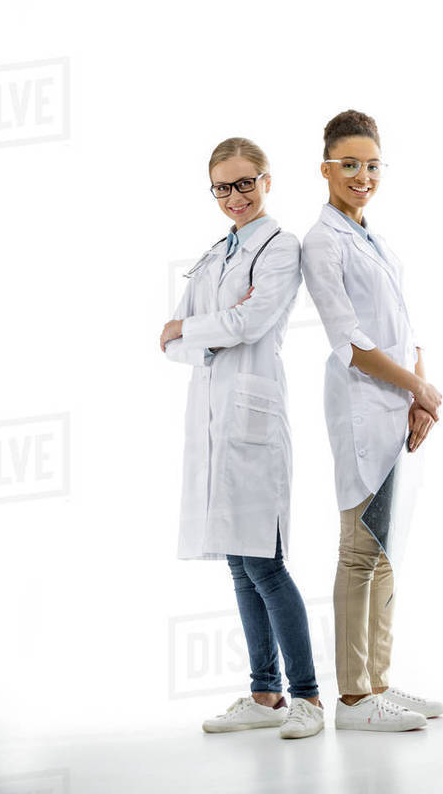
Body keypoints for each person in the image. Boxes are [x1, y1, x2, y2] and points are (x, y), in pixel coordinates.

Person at [160, 137, 324, 739]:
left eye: (245, 183)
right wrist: (206, 329)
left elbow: (251, 322)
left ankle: (306, 696)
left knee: (265, 563)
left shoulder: (280, 247)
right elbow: (173, 340)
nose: (236, 196)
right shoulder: (216, 253)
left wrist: (195, 327)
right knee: (238, 562)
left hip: (253, 417)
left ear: (268, 180)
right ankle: (265, 692)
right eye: (223, 187)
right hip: (212, 419)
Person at [301, 110, 443, 733]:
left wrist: (418, 396)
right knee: (359, 552)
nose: (363, 176)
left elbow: (406, 326)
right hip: (363, 408)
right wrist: (418, 387)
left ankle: (379, 683)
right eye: (350, 165)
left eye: (372, 165)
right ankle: (353, 699)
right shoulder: (324, 240)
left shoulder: (372, 237)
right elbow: (350, 342)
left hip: (397, 408)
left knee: (385, 552)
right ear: (326, 169)